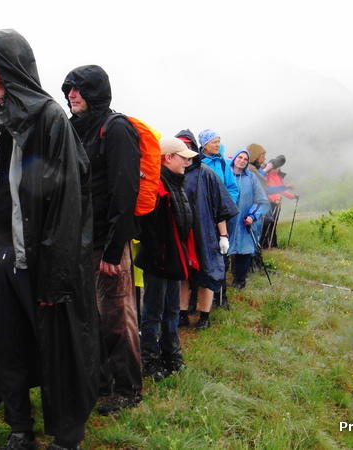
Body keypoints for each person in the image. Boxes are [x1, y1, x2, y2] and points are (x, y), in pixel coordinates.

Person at [0, 30, 98, 450]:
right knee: (8, 346)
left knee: (57, 347)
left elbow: (68, 201)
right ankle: (20, 427)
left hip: (39, 259)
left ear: (7, 61)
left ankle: (67, 435)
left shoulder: (47, 118)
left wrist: (56, 273)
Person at [61, 65, 142, 415]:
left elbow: (125, 192)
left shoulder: (116, 128)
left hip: (107, 243)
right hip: (81, 241)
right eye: (68, 89)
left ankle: (127, 388)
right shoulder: (75, 129)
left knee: (116, 315)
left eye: (79, 89)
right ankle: (101, 381)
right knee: (91, 316)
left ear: (96, 91)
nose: (71, 95)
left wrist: (113, 249)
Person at [135, 137, 198, 381]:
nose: (187, 163)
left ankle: (171, 356)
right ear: (168, 157)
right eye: (183, 158)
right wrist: (159, 254)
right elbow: (147, 226)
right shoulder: (155, 185)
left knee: (172, 309)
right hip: (159, 260)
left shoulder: (175, 182)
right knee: (153, 312)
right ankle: (150, 360)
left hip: (173, 258)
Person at [175, 130, 238, 330]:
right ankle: (182, 313)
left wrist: (223, 235)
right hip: (181, 234)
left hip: (205, 233)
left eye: (188, 146)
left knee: (207, 275)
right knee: (183, 275)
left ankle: (204, 316)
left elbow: (220, 207)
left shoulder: (206, 174)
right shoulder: (172, 173)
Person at [226, 149, 269, 289]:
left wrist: (252, 215)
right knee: (224, 250)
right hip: (226, 222)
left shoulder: (251, 178)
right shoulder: (225, 174)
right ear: (234, 158)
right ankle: (221, 285)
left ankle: (240, 282)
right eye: (240, 157)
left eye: (245, 159)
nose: (242, 161)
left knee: (244, 252)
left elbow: (261, 200)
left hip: (244, 222)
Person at [198, 129, 238, 204]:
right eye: (214, 142)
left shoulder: (223, 163)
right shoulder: (196, 163)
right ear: (204, 145)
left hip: (222, 209)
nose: (218, 145)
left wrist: (229, 205)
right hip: (203, 208)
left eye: (218, 142)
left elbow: (232, 188)